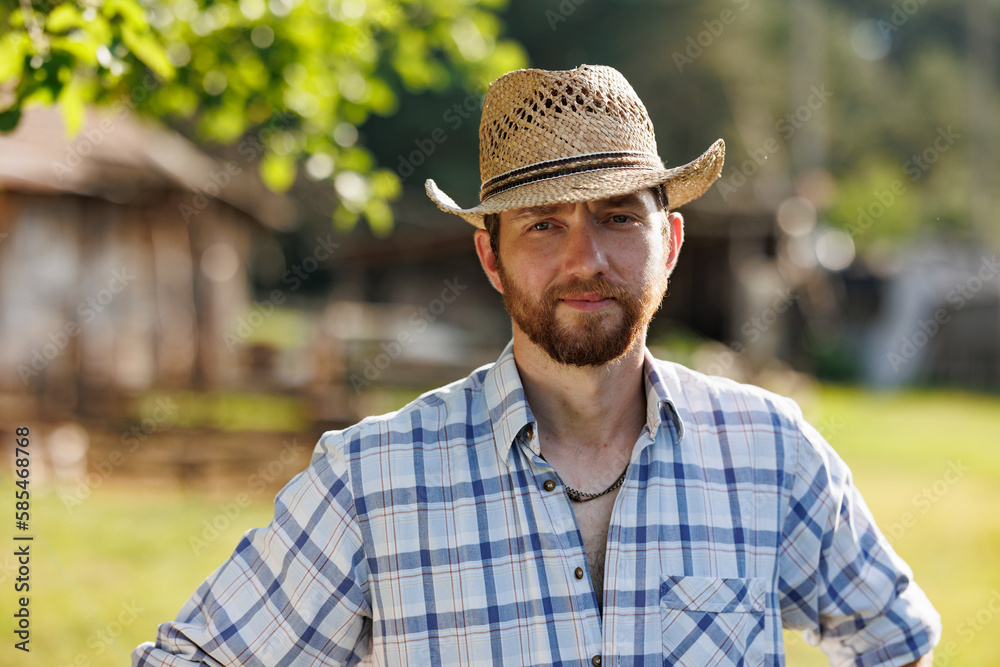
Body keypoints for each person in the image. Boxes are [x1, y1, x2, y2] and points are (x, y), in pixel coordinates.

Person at [134, 65, 940, 666]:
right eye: (544, 226)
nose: (585, 258)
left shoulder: (771, 450)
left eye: (619, 216)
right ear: (491, 257)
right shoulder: (370, 481)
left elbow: (897, 639)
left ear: (670, 242)